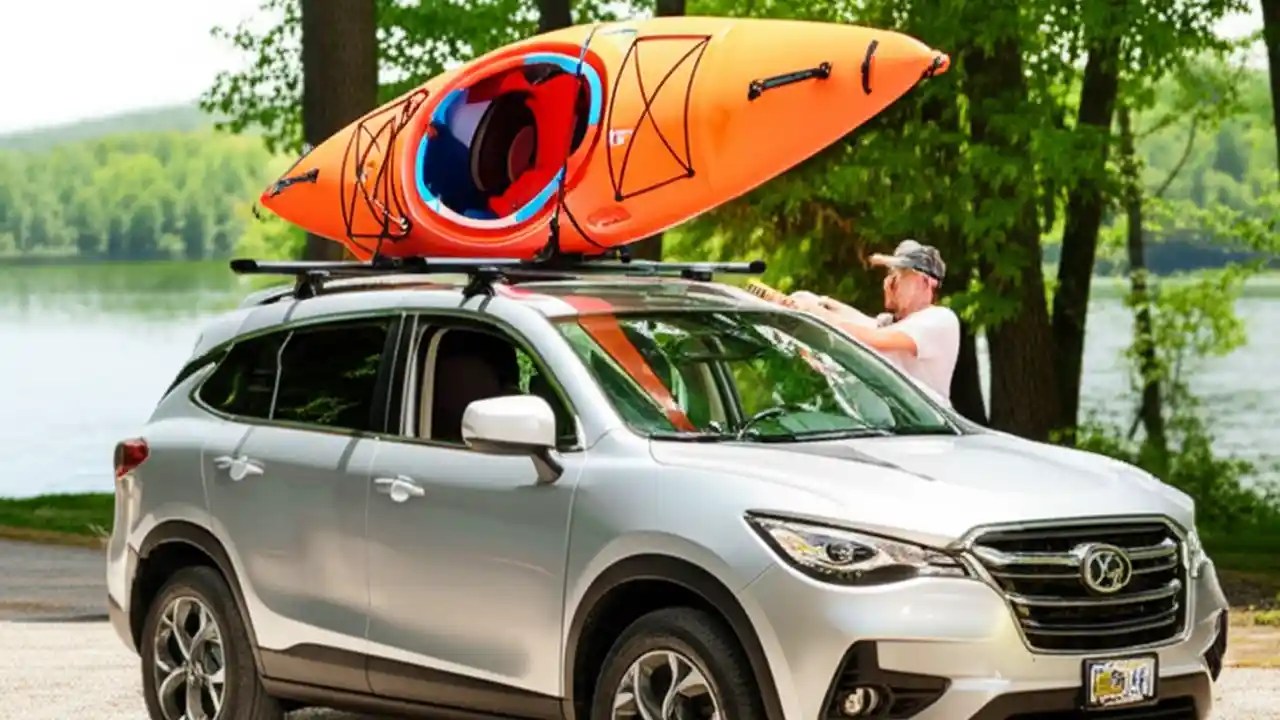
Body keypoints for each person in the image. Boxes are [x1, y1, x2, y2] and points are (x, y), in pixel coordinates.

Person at [784, 239, 960, 401]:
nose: (890, 282)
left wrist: (816, 313)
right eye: (891, 273)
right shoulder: (892, 323)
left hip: (929, 431)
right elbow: (858, 322)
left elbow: (873, 338)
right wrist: (816, 303)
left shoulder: (940, 319)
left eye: (901, 274)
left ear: (925, 282)